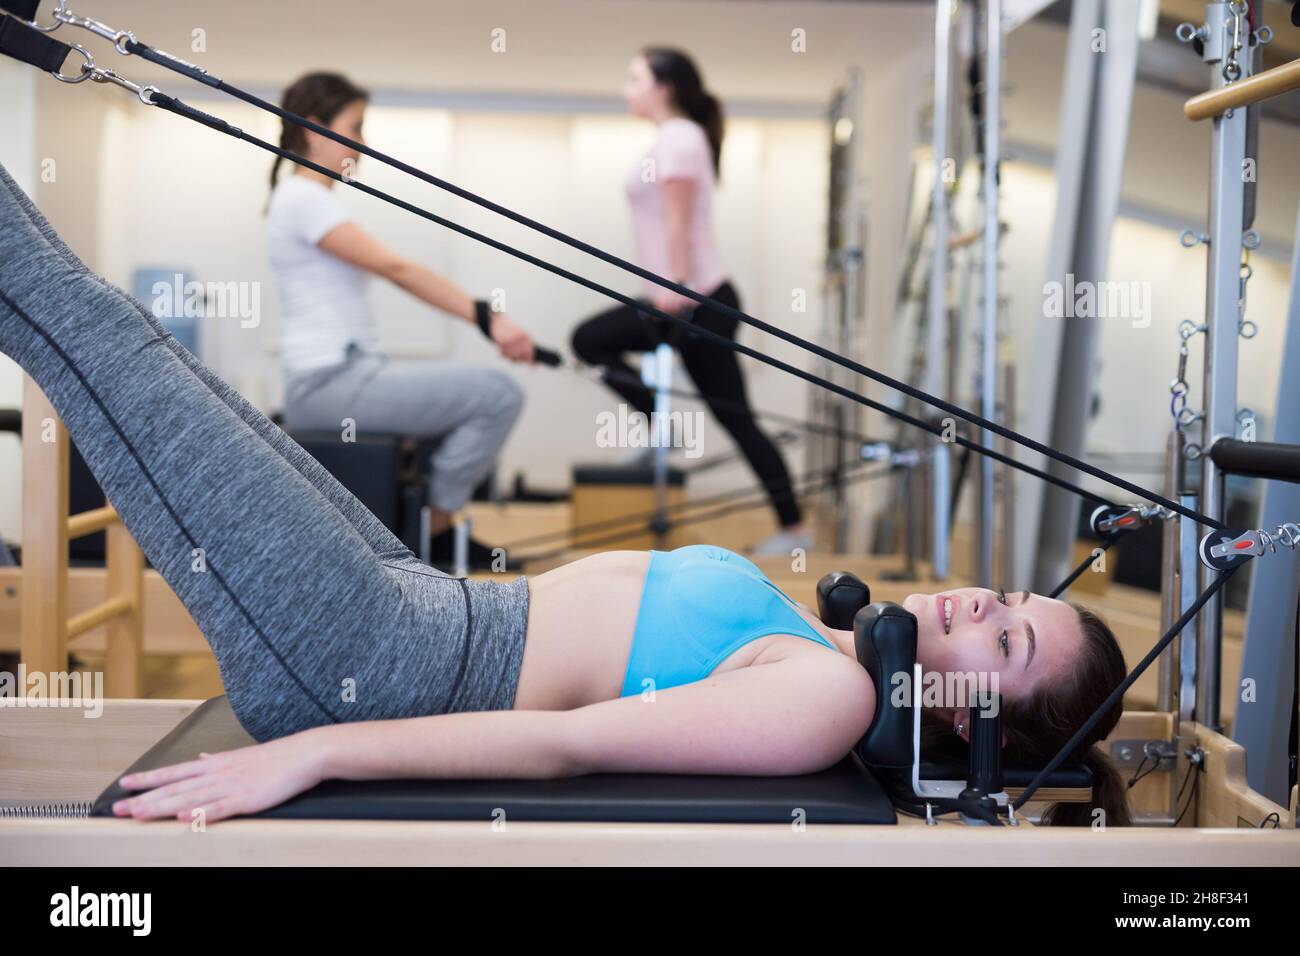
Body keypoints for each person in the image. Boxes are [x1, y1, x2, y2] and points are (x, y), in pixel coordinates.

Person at [0, 160, 1130, 828]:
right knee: (128, 334)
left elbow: (569, 743)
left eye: (1011, 641)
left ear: (977, 721)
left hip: (382, 656)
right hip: (414, 598)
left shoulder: (824, 702)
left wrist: (320, 750)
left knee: (87, 330)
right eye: (1009, 596)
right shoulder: (825, 649)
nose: (984, 603)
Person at [266, 72, 535, 568]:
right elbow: (398, 270)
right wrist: (491, 320)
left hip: (344, 378)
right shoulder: (303, 198)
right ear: (312, 128)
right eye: (356, 126)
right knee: (497, 394)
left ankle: (426, 531)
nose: (364, 143)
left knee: (458, 413)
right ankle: (432, 529)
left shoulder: (308, 199)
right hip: (329, 385)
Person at [570, 49, 810, 557]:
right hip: (679, 297)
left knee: (734, 417)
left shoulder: (680, 138)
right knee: (592, 343)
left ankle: (795, 530)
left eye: (636, 78)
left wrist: (677, 293)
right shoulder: (672, 138)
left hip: (696, 299)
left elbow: (678, 220)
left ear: (667, 87)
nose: (627, 88)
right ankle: (664, 428)